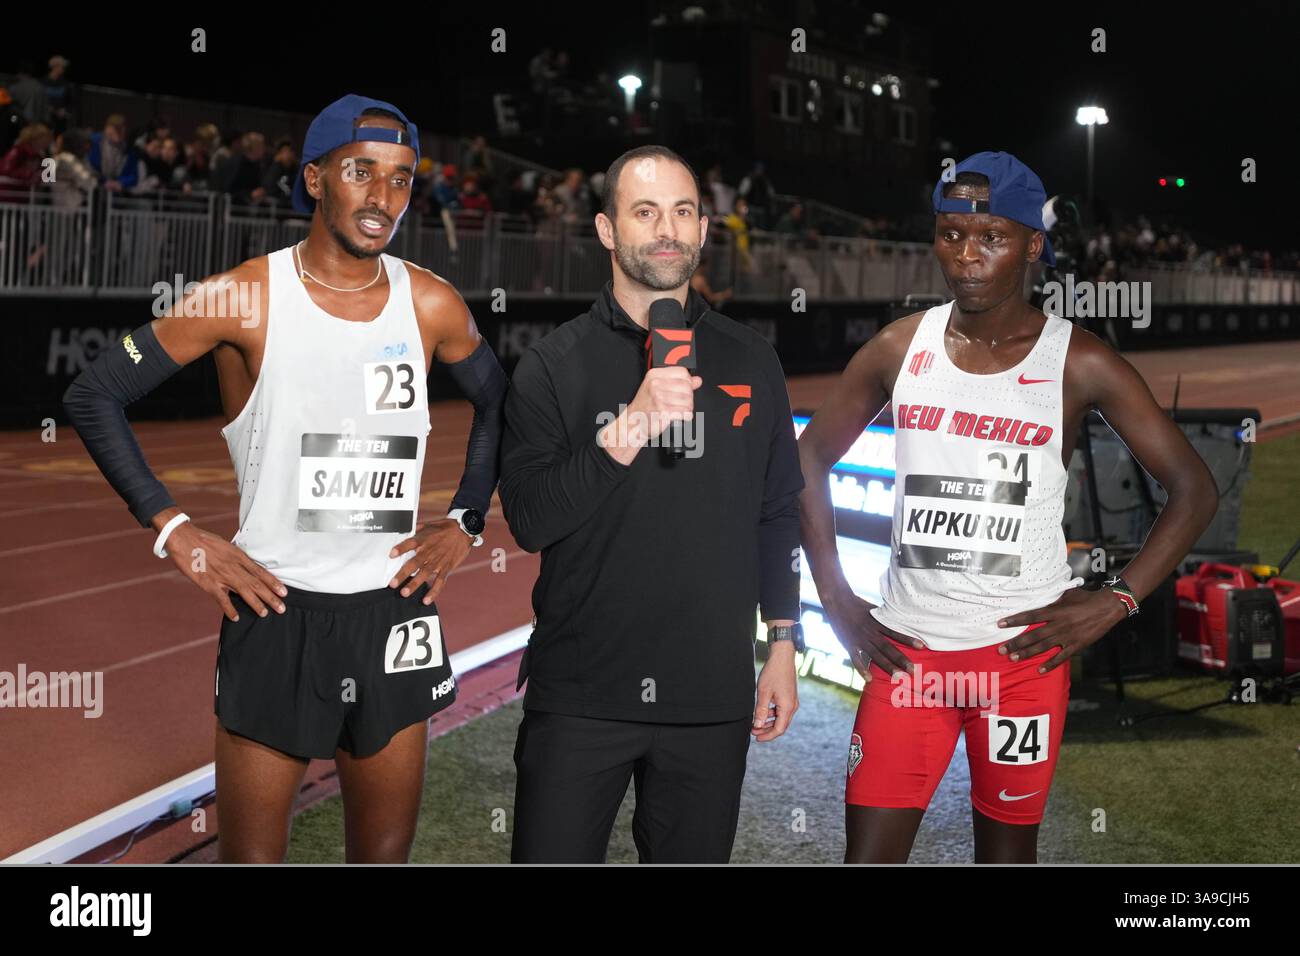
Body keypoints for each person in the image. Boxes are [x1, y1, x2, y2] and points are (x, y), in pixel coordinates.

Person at [63, 94, 508, 863]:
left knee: (382, 858)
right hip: (273, 612)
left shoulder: (431, 303)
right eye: (360, 172)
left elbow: (504, 405)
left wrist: (468, 520)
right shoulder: (246, 296)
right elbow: (94, 392)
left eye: (401, 179)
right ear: (314, 178)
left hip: (392, 614)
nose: (382, 198)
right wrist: (177, 533)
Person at [797, 151, 1218, 863]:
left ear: (1031, 245)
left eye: (990, 236)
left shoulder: (1079, 360)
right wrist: (835, 599)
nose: (965, 257)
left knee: (1006, 858)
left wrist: (1115, 600)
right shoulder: (900, 348)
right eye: (950, 233)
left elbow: (1194, 488)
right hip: (909, 660)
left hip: (1022, 664)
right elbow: (805, 458)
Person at [499, 145, 804, 863]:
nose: (667, 229)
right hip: (580, 693)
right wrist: (631, 423)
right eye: (645, 212)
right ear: (607, 231)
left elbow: (778, 511)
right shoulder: (552, 364)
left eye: (683, 212)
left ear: (701, 229)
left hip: (709, 696)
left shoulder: (751, 358)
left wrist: (784, 641)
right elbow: (533, 520)